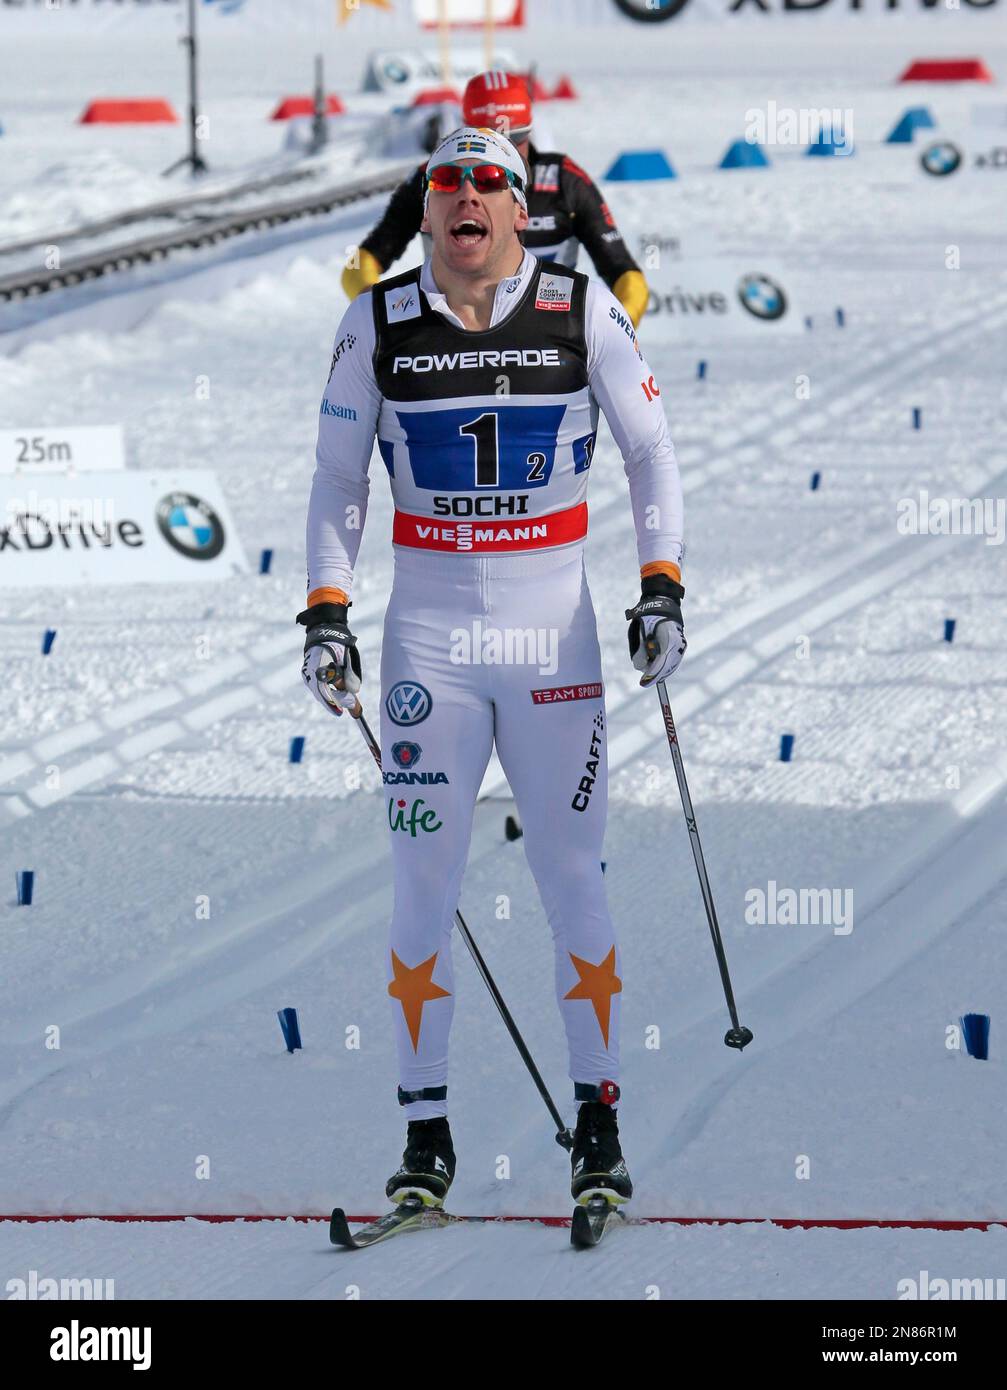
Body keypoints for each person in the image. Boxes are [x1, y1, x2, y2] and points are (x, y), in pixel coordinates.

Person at [299, 125, 685, 1211]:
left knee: (572, 876)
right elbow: (336, 479)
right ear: (422, 211)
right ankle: (425, 1133)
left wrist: (660, 585)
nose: (463, 195)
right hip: (430, 644)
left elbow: (652, 450)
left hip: (549, 637)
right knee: (421, 882)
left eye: (486, 183)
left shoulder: (579, 306)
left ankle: (595, 1121)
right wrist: (324, 610)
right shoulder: (372, 321)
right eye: (444, 182)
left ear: (521, 209)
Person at [342, 70, 650, 328]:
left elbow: (626, 275)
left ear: (530, 133)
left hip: (547, 340)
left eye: (515, 142)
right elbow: (358, 265)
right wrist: (382, 317)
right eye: (486, 146)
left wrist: (612, 334)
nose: (507, 158)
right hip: (456, 336)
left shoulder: (565, 181)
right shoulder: (435, 176)